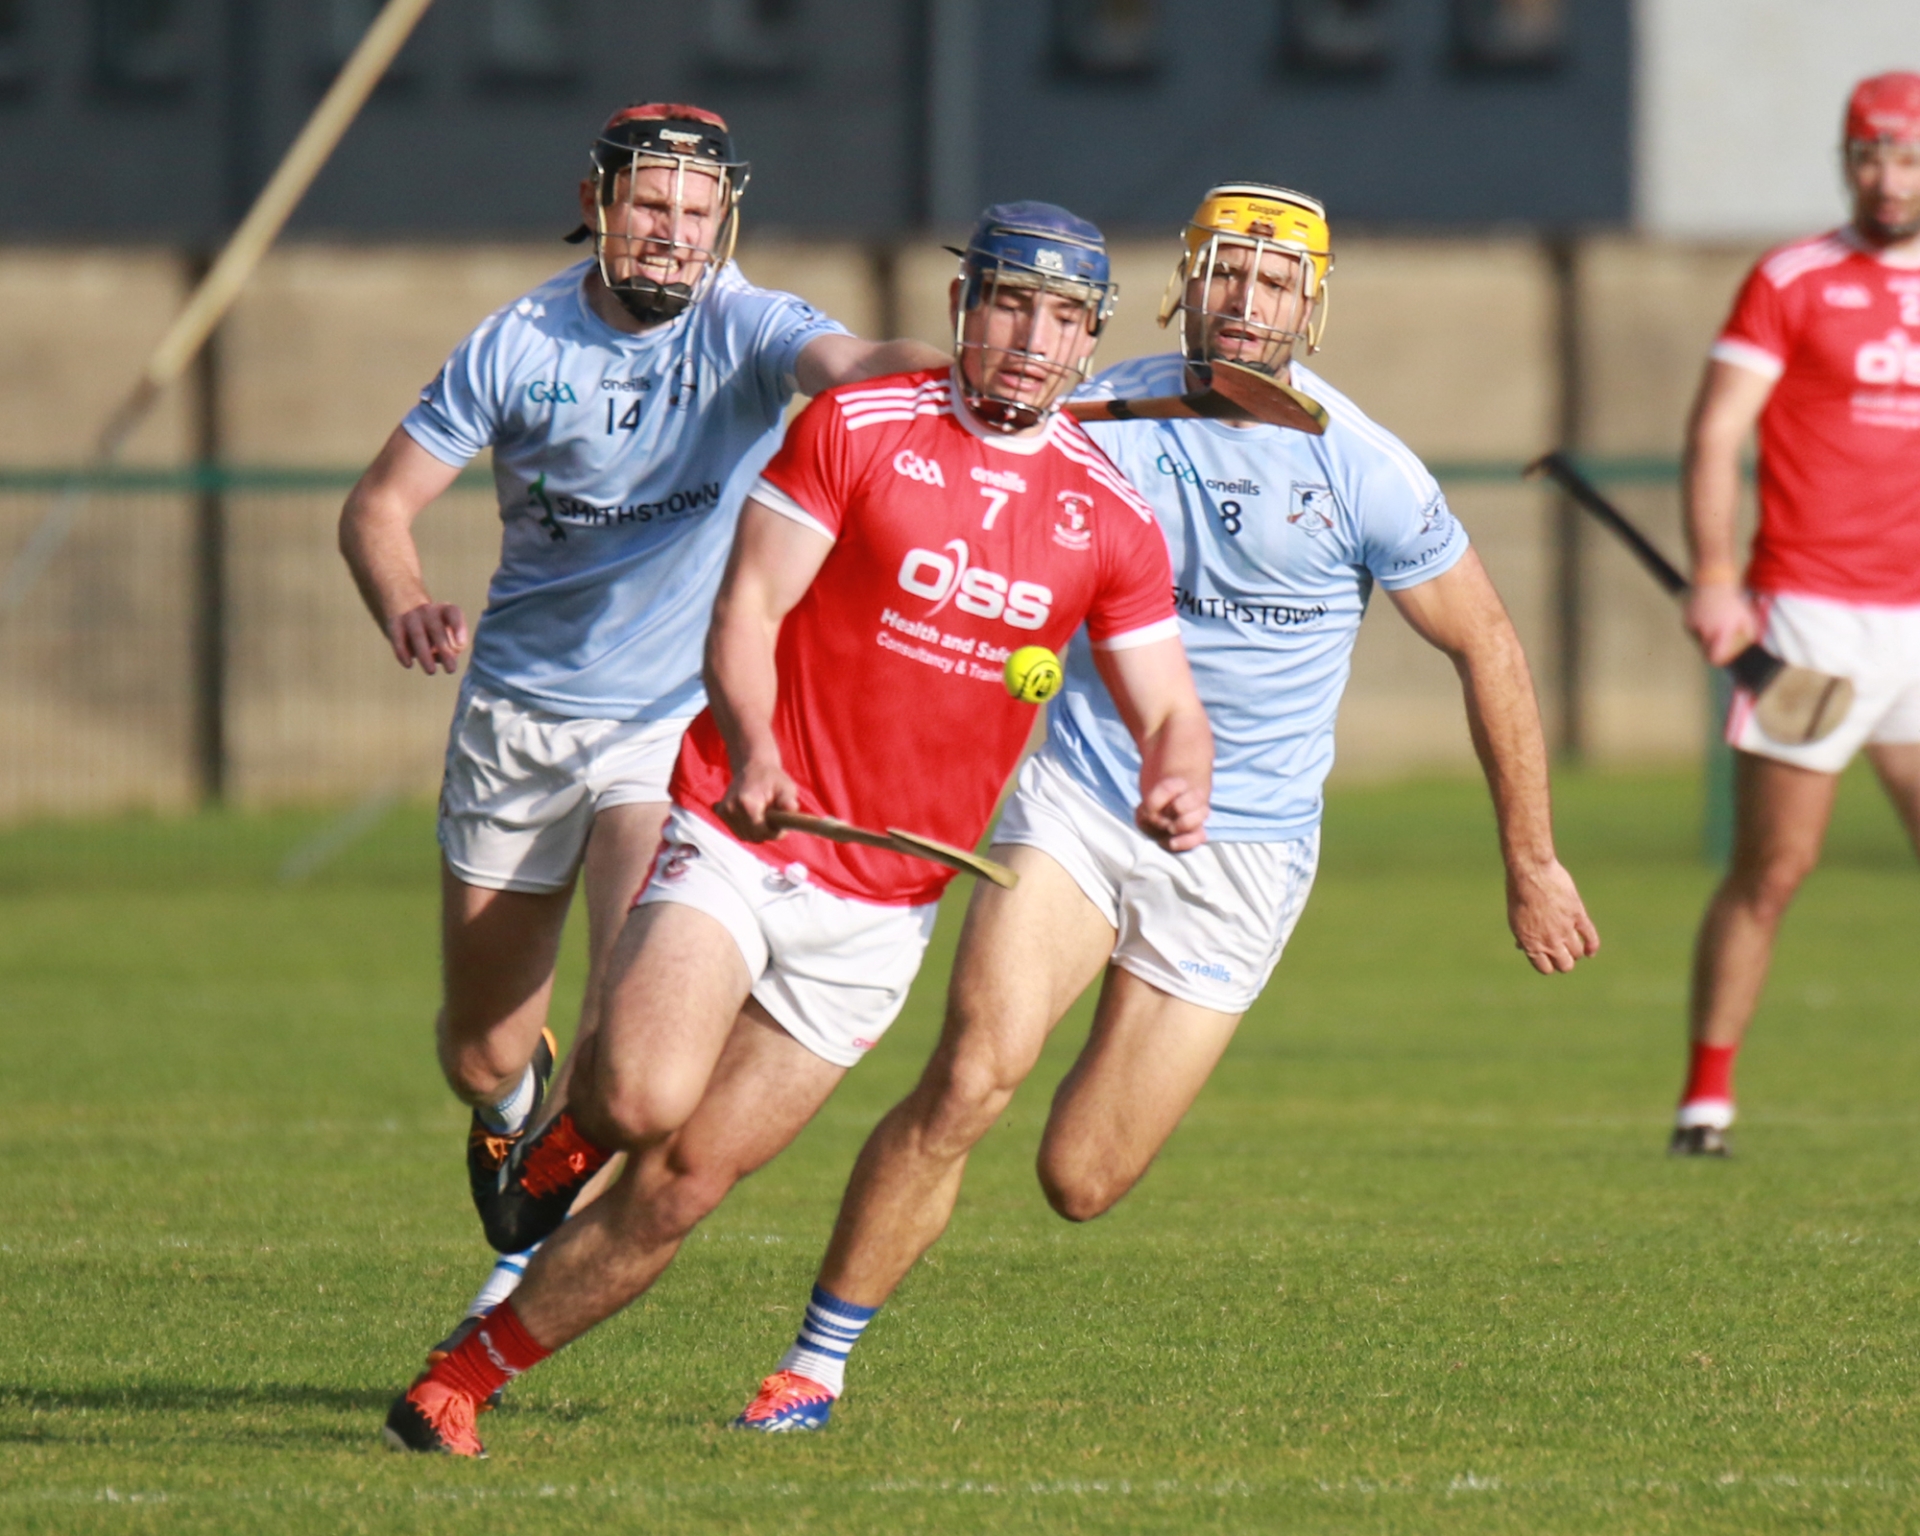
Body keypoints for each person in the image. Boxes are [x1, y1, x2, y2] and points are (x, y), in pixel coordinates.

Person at [732, 182, 1600, 1432]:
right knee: (974, 1073)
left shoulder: (1362, 469)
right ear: (1183, 284)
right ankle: (812, 1369)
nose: (1246, 305)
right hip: (1086, 797)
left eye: (1276, 284)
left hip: (1243, 857)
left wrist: (1533, 859)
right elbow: (927, 433)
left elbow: (1492, 648)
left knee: (1080, 1178)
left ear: (1314, 308)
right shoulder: (1096, 418)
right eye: (1226, 277)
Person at [380, 201, 1214, 1457]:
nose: (1029, 336)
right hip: (745, 832)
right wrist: (756, 747)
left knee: (685, 1186)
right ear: (959, 312)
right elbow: (750, 608)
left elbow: (1173, 708)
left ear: (1089, 339)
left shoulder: (1109, 517)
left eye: (1059, 316)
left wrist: (1176, 777)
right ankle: (564, 1137)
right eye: (1006, 304)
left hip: (883, 908)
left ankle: (458, 1381)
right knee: (646, 1093)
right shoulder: (858, 428)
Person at [337, 100, 948, 1315]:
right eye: (652, 207)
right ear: (597, 207)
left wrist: (961, 365)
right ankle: (517, 1106)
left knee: (631, 1027)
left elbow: (852, 368)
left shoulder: (745, 323)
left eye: (697, 213)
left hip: (664, 727)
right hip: (517, 720)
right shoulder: (516, 344)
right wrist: (405, 601)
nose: (674, 233)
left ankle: (519, 1257)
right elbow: (376, 509)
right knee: (482, 1051)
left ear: (727, 223)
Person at [1670, 72, 1920, 1156]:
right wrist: (1718, 575)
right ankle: (1705, 1102)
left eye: (1906, 156)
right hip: (1814, 614)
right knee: (1775, 867)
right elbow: (1719, 432)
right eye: (1867, 154)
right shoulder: (1791, 278)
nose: (1886, 176)